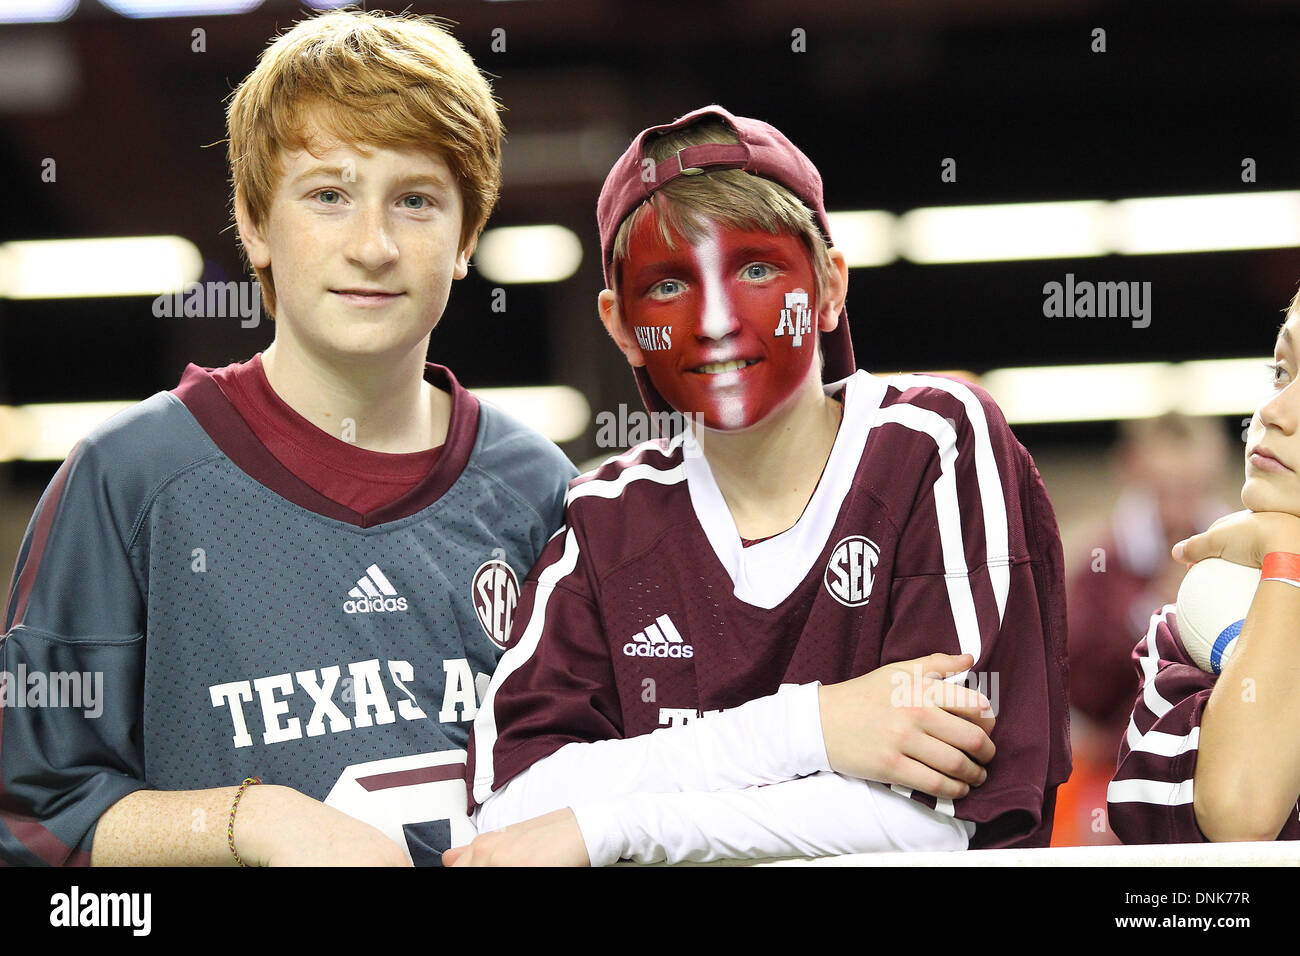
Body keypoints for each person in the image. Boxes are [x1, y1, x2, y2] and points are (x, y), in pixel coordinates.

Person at [0, 9, 575, 867]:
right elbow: (30, 820)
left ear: (467, 236)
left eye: (416, 201)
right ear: (256, 223)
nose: (374, 246)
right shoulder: (128, 482)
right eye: (329, 195)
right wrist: (254, 823)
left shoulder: (541, 490)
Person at [448, 106, 1071, 867]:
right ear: (620, 326)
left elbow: (946, 820)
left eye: (754, 268)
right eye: (669, 284)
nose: (715, 321)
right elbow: (515, 809)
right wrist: (815, 728)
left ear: (831, 285)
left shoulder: (936, 443)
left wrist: (617, 826)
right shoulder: (606, 516)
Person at [1109, 299, 1300, 843]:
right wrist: (1288, 557)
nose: (1272, 411)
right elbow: (1239, 810)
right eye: (1281, 372)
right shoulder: (1196, 623)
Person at [1056, 414, 1228, 847]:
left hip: (1226, 770)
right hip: (1123, 779)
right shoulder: (1100, 560)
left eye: (1190, 487)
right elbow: (1081, 693)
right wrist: (1150, 617)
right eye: (1164, 487)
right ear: (1134, 470)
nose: (1179, 502)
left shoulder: (1241, 561)